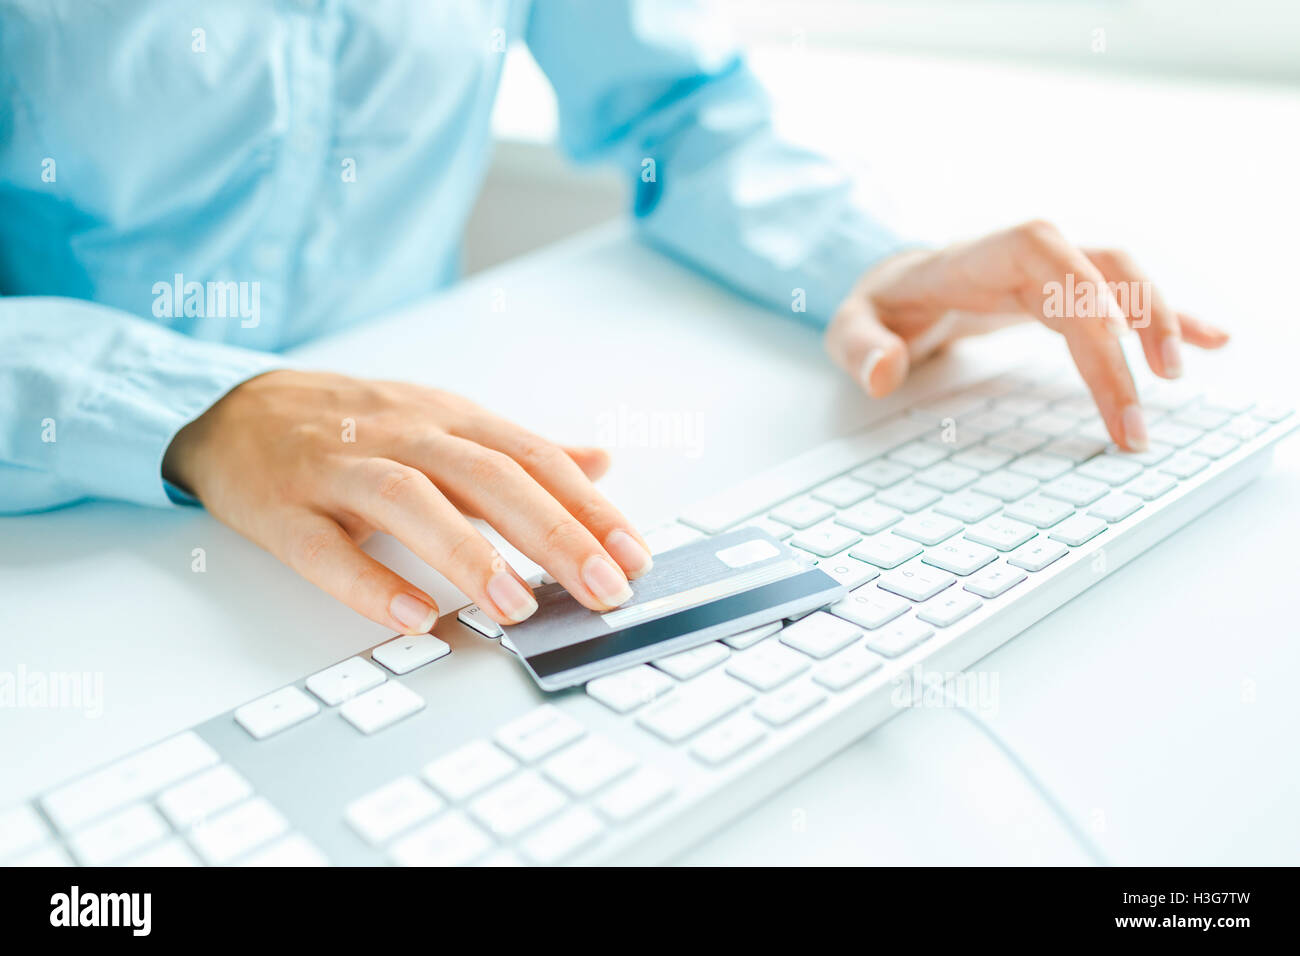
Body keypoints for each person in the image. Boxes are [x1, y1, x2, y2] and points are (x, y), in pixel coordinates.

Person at [0, 1, 1227, 637]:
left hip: (425, 508)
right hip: (75, 523)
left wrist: (868, 257)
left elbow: (678, 105)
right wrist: (202, 411)